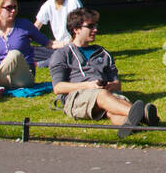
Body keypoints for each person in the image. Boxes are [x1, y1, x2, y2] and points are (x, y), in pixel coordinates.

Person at [48, 8, 157, 137]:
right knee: (102, 95)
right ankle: (144, 115)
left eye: (95, 25)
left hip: (107, 93)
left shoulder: (103, 53)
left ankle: (132, 126)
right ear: (76, 29)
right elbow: (58, 87)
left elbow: (118, 84)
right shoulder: (62, 54)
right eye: (90, 26)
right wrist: (89, 85)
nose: (95, 30)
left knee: (111, 110)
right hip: (78, 97)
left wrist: (110, 85)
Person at [32, 0, 83, 64]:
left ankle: (46, 62)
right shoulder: (48, 4)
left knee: (63, 55)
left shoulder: (72, 0)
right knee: (28, 51)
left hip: (73, 45)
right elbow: (35, 27)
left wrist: (64, 44)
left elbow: (78, 29)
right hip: (57, 46)